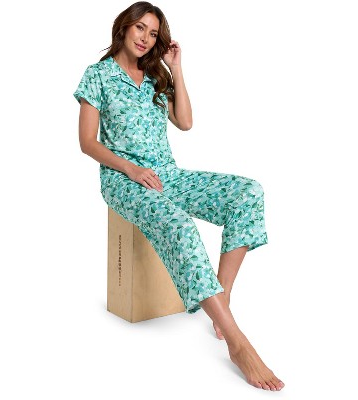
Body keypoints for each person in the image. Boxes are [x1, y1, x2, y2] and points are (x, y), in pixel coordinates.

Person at [73, 1, 284, 391]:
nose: (145, 38)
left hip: (168, 176)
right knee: (180, 225)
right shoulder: (98, 75)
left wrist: (176, 69)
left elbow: (185, 122)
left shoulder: (156, 78)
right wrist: (130, 169)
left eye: (153, 33)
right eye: (140, 28)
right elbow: (87, 142)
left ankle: (222, 301)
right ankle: (237, 342)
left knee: (247, 193)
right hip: (124, 180)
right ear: (123, 27)